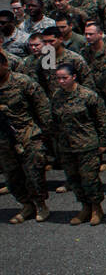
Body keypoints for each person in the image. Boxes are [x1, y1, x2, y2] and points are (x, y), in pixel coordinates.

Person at [50, 62, 106, 225]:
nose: (61, 81)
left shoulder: (87, 95)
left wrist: (104, 142)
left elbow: (102, 119)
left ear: (74, 77)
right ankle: (85, 207)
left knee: (89, 179)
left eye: (65, 78)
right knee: (74, 179)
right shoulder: (57, 96)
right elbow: (54, 121)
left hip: (87, 145)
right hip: (66, 146)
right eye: (59, 78)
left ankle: (96, 208)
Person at [0, 53, 52, 223]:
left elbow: (42, 106)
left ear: (4, 66)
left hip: (27, 134)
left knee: (34, 173)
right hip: (3, 139)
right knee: (12, 176)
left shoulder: (22, 82)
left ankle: (40, 204)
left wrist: (45, 133)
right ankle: (26, 205)